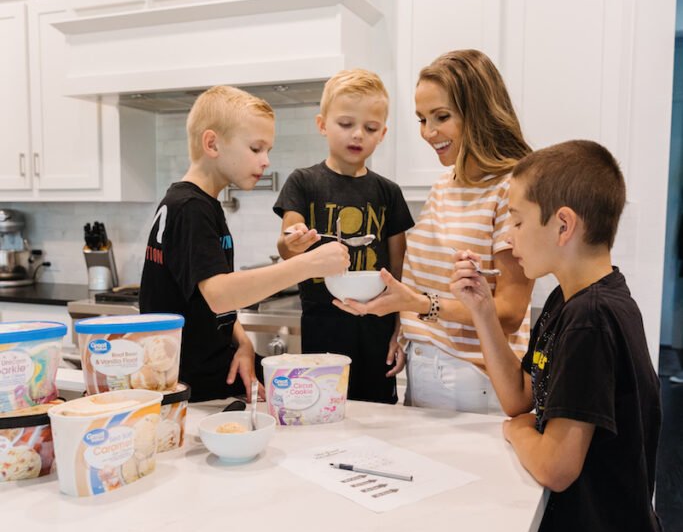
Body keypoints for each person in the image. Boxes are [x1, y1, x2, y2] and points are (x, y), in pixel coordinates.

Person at [450, 140, 667, 532]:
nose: (508, 236)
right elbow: (521, 396)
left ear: (562, 224)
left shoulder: (592, 323)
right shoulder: (566, 304)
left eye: (515, 219)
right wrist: (484, 314)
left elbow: (556, 465)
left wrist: (519, 435)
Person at [336, 49, 533, 413]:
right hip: (423, 365)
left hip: (473, 378)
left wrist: (420, 306)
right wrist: (403, 327)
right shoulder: (445, 183)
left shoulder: (512, 189)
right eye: (422, 119)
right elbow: (425, 279)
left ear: (479, 112)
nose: (429, 133)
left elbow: (509, 313)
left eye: (442, 116)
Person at [139, 85, 348, 402]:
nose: (265, 161)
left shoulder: (200, 203)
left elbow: (205, 299)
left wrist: (243, 343)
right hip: (191, 389)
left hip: (211, 375)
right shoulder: (190, 208)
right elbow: (220, 295)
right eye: (255, 148)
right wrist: (309, 264)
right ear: (212, 144)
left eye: (268, 150)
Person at [273, 69, 414, 404]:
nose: (358, 135)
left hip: (376, 328)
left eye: (370, 128)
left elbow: (400, 269)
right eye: (346, 124)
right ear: (322, 125)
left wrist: (400, 327)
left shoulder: (388, 192)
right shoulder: (303, 183)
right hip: (322, 326)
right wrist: (293, 241)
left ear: (383, 134)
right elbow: (286, 247)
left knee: (377, 417)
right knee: (321, 411)